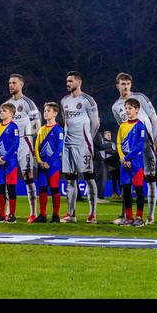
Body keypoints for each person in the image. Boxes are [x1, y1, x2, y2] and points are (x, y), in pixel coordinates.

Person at [112, 74, 157, 223]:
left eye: (127, 83)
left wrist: (155, 140)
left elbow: (154, 118)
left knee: (150, 178)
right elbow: (124, 128)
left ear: (131, 84)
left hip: (147, 144)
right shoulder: (115, 107)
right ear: (117, 86)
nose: (125, 86)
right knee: (127, 183)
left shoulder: (140, 98)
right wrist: (124, 155)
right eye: (122, 84)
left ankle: (149, 216)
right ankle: (128, 215)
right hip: (130, 151)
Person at [59, 72, 100, 223]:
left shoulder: (88, 100)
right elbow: (65, 121)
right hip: (68, 145)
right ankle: (71, 214)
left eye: (70, 81)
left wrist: (88, 138)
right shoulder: (64, 100)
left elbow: (95, 123)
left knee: (89, 177)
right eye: (67, 81)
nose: (67, 83)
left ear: (78, 82)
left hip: (83, 144)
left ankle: (92, 214)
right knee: (70, 179)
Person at [6, 74, 41, 220]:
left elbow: (37, 124)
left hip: (25, 143)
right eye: (9, 83)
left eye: (14, 83)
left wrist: (30, 137)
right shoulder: (7, 104)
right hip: (11, 145)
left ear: (21, 85)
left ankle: (33, 213)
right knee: (9, 178)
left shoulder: (28, 103)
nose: (11, 85)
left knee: (28, 176)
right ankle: (8, 212)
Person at [115, 98, 148, 226]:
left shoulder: (140, 126)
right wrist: (122, 158)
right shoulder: (123, 126)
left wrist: (127, 158)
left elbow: (140, 146)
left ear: (137, 110)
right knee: (126, 191)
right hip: (124, 164)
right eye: (126, 108)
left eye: (130, 108)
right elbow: (118, 143)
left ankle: (139, 218)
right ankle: (129, 217)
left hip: (136, 163)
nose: (127, 111)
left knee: (139, 190)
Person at [0, 102, 21, 223]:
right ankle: (1, 214)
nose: (1, 112)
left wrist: (5, 158)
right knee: (1, 188)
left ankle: (12, 215)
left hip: (11, 162)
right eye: (1, 110)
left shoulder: (14, 127)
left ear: (11, 114)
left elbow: (15, 144)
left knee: (11, 188)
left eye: (4, 111)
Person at [35, 102, 64, 223]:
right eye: (45, 110)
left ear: (55, 113)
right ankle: (42, 215)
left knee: (54, 189)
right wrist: (39, 161)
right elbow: (36, 146)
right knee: (42, 189)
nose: (45, 112)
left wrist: (49, 163)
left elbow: (59, 148)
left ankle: (56, 215)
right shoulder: (41, 129)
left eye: (48, 111)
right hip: (42, 165)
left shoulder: (58, 129)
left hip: (53, 165)